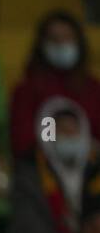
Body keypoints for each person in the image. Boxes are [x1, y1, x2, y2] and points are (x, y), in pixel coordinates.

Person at [8, 98, 100, 233]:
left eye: (73, 131)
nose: (69, 137)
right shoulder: (28, 175)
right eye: (61, 131)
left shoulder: (95, 170)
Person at [10, 12, 100, 158]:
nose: (62, 45)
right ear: (42, 45)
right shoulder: (27, 90)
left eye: (67, 38)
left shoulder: (93, 88)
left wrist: (79, 137)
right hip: (42, 171)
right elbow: (22, 141)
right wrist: (54, 134)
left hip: (90, 166)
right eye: (54, 39)